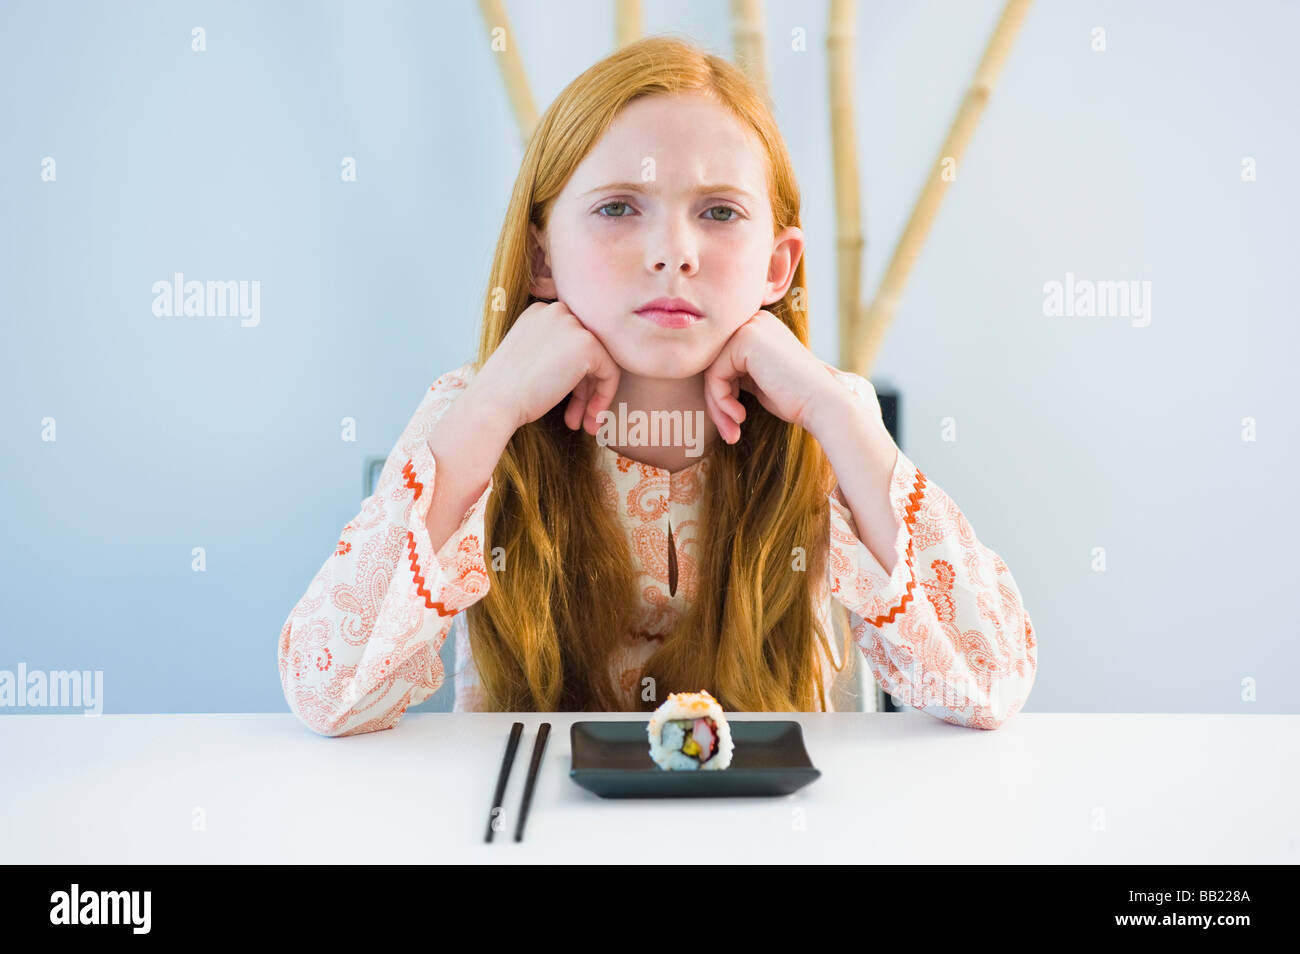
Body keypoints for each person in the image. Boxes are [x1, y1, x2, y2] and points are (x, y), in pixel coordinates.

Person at [278, 36, 1036, 737]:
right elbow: (329, 693)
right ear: (543, 259)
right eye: (617, 208)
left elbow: (989, 685)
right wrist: (492, 407)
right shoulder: (474, 416)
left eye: (718, 212)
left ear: (778, 268)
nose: (673, 253)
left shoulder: (827, 429)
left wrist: (836, 410)